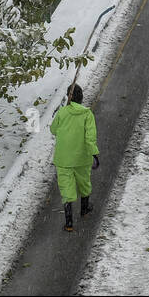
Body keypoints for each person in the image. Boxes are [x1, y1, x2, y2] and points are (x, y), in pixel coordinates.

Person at [50, 84, 99, 232]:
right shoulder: (87, 114)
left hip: (63, 158)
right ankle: (84, 209)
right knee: (84, 183)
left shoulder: (62, 112)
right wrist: (94, 153)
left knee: (66, 188)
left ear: (68, 97)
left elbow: (53, 130)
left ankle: (69, 222)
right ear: (81, 97)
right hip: (81, 158)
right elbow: (90, 137)